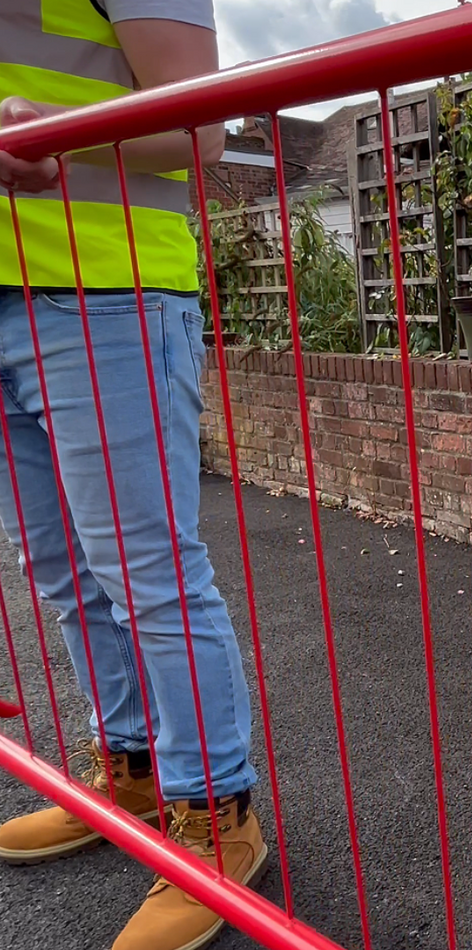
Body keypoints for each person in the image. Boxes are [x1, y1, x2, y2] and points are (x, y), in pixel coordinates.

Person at [0, 3, 265, 949]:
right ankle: (133, 772)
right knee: (62, 571)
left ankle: (216, 821)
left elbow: (199, 119)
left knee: (147, 575)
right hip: (13, 291)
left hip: (105, 286)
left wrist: (61, 149)